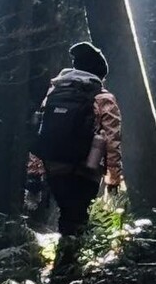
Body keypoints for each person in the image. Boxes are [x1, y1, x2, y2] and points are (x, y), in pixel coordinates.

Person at [27, 40, 123, 269]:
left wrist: (34, 172)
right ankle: (67, 268)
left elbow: (41, 131)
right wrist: (114, 178)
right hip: (85, 168)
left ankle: (64, 264)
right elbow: (112, 140)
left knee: (68, 213)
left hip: (54, 165)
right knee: (77, 217)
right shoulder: (103, 98)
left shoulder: (54, 92)